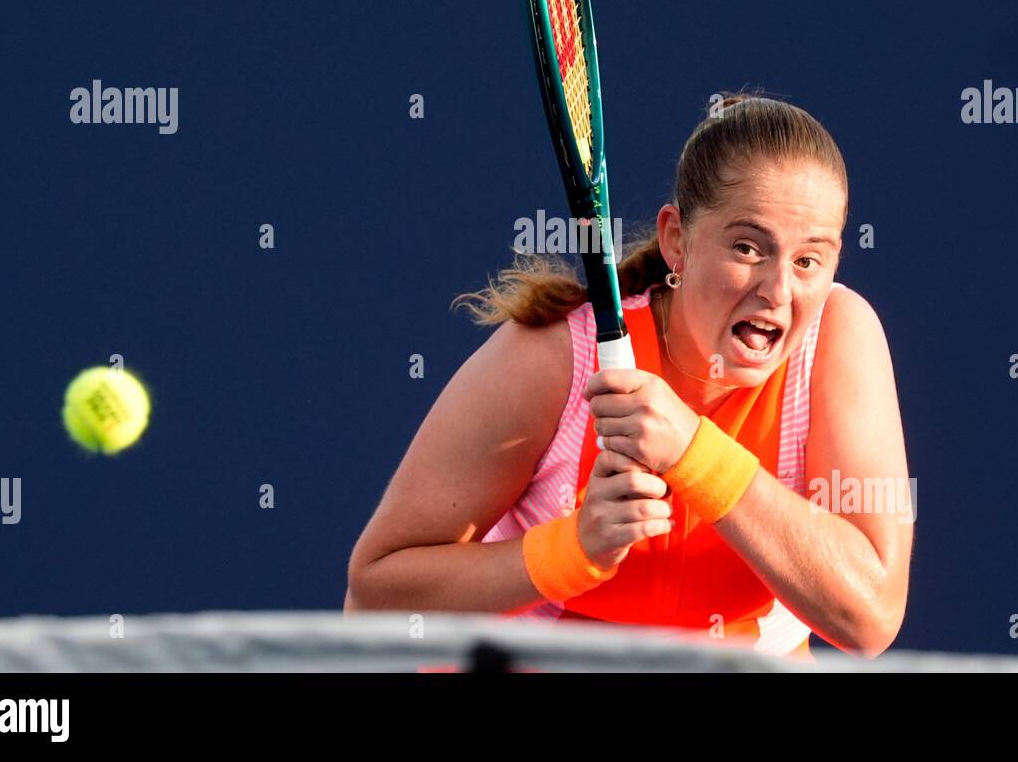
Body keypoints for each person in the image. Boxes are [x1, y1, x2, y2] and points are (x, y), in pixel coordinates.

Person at [345, 93, 912, 662]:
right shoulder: (553, 358)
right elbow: (374, 598)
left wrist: (692, 452)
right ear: (677, 241)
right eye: (747, 247)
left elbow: (870, 618)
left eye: (808, 260)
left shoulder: (838, 337)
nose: (778, 289)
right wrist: (571, 550)